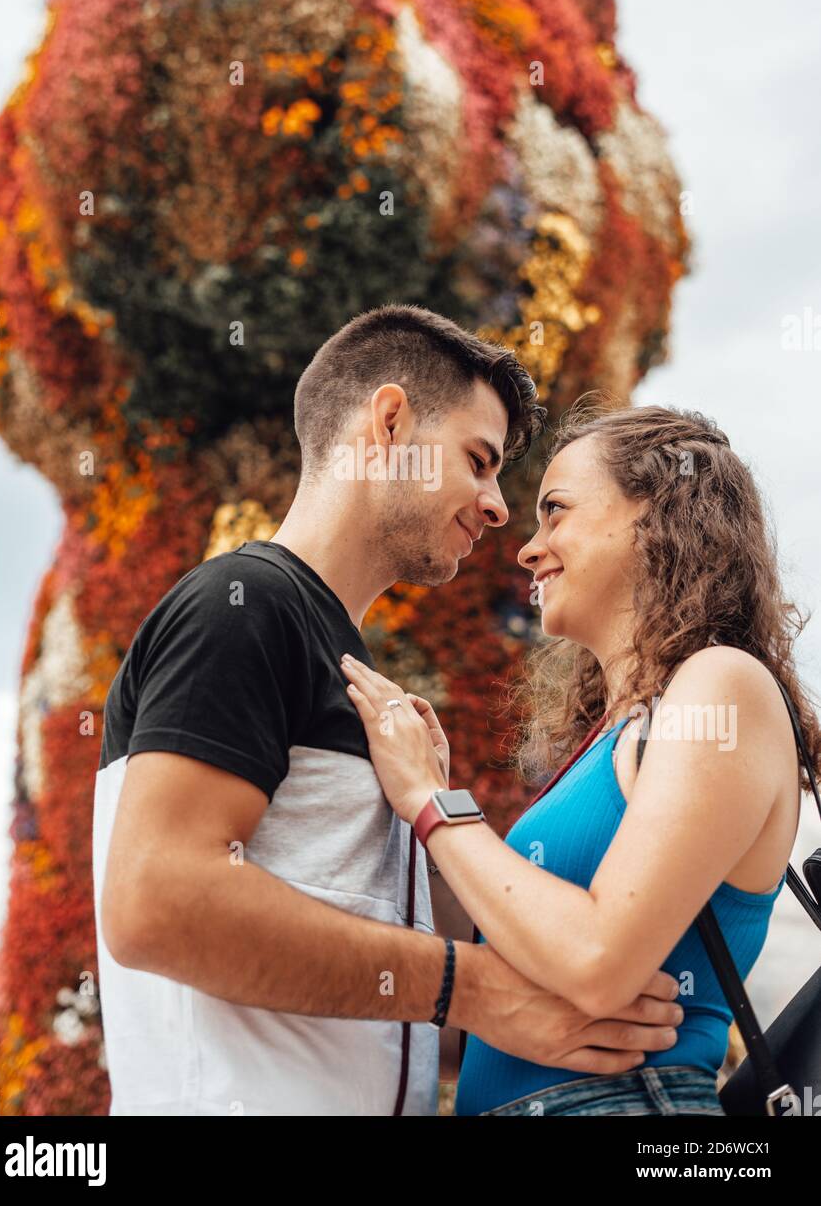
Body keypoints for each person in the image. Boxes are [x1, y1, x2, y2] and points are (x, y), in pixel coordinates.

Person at [93, 306, 686, 1116]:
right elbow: (155, 902)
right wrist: (469, 985)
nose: (497, 506)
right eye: (478, 462)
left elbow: (387, 1016)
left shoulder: (350, 674)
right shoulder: (242, 608)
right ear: (390, 420)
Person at [340, 398, 821, 1115]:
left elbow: (599, 963)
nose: (529, 548)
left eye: (555, 511)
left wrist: (431, 804)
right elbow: (492, 996)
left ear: (657, 513)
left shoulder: (724, 685)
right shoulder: (618, 734)